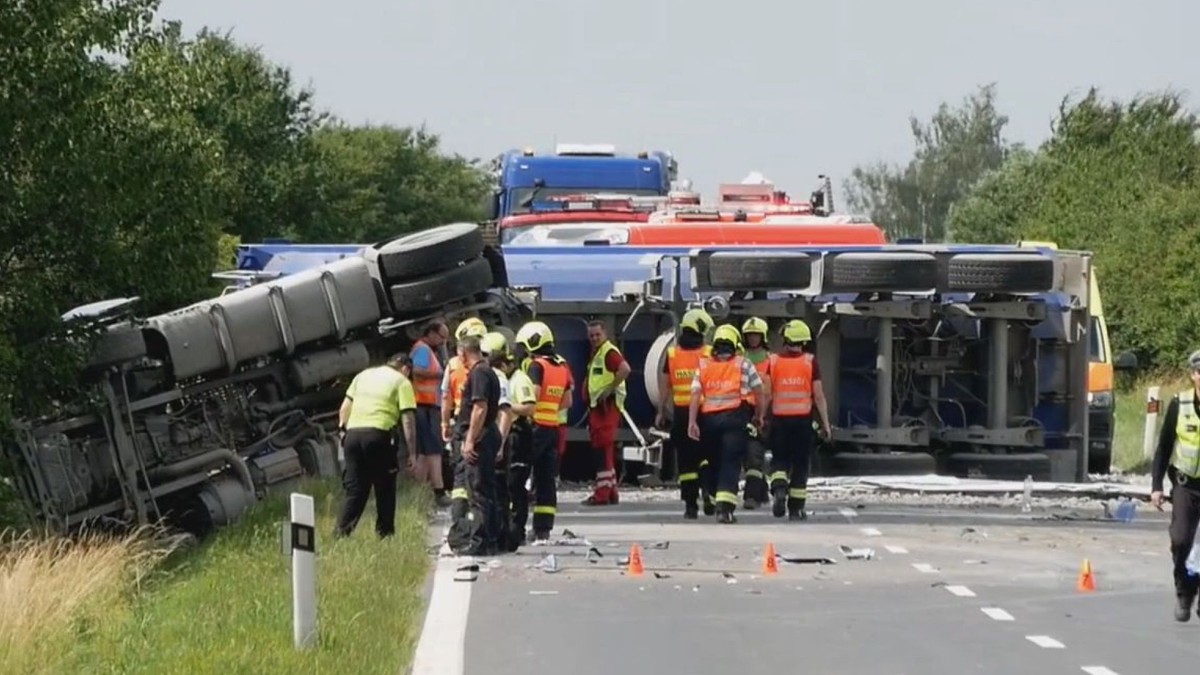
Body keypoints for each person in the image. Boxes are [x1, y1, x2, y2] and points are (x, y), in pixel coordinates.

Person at [688, 324, 766, 524]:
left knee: (714, 461)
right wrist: (759, 416)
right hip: (735, 419)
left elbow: (695, 394)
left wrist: (692, 422)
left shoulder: (704, 365)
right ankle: (724, 510)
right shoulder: (744, 364)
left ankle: (712, 496)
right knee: (730, 463)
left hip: (709, 421)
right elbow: (759, 391)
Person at [334, 353, 417, 538]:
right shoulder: (402, 381)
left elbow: (344, 409)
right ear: (406, 369)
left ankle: (341, 534)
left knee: (355, 489)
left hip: (353, 436)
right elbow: (408, 419)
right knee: (385, 487)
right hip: (379, 435)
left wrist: (343, 432)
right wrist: (412, 452)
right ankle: (385, 535)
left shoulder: (362, 376)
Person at [764, 319, 831, 521]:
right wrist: (826, 424)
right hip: (802, 422)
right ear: (804, 341)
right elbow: (818, 396)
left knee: (779, 459)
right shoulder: (810, 362)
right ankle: (796, 509)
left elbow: (766, 394)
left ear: (786, 339)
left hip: (779, 421)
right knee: (801, 464)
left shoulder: (773, 361)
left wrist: (760, 417)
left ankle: (779, 488)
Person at [1151, 348, 1200, 622]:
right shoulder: (1180, 404)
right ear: (1193, 375)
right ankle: (1185, 591)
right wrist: (1156, 486)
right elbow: (1164, 447)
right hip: (1186, 484)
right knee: (1181, 540)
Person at [446, 334, 503, 556]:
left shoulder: (479, 373)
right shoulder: (488, 371)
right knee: (487, 489)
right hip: (487, 434)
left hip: (480, 436)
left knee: (477, 491)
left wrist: (470, 439)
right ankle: (493, 539)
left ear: (463, 353)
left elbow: (480, 408)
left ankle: (479, 542)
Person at [516, 320, 572, 543]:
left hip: (535, 426)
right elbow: (567, 401)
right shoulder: (561, 366)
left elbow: (534, 394)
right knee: (546, 479)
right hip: (553, 428)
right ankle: (543, 529)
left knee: (519, 474)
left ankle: (516, 526)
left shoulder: (537, 366)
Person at [656, 308, 714, 519]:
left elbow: (664, 386)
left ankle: (690, 505)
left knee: (686, 461)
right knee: (708, 456)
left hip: (681, 413)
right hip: (706, 412)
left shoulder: (672, 354)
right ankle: (708, 492)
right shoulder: (709, 353)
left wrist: (661, 411)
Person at [483, 331, 537, 551]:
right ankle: (504, 531)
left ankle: (517, 531)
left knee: (515, 485)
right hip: (504, 433)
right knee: (502, 485)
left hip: (517, 435)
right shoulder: (501, 378)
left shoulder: (519, 379)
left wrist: (505, 405)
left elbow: (530, 407)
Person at [582, 320, 631, 506]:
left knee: (602, 450)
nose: (594, 338)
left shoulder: (609, 352)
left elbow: (625, 369)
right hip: (599, 407)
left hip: (606, 407)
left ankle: (602, 494)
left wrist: (610, 389)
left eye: (597, 335)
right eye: (591, 335)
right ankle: (611, 492)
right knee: (605, 449)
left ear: (605, 334)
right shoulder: (598, 353)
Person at [409, 318, 452, 507]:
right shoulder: (422, 350)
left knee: (426, 451)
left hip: (428, 406)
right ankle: (438, 490)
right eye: (442, 337)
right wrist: (441, 375)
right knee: (433, 449)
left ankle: (421, 493)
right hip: (423, 405)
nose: (443, 342)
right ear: (432, 333)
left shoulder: (428, 350)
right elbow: (417, 371)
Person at [739, 317, 772, 509]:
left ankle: (753, 494)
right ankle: (760, 492)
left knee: (755, 452)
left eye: (756, 335)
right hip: (743, 409)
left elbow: (770, 389)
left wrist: (763, 414)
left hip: (763, 410)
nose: (753, 338)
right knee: (748, 452)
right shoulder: (739, 357)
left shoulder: (770, 359)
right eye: (749, 335)